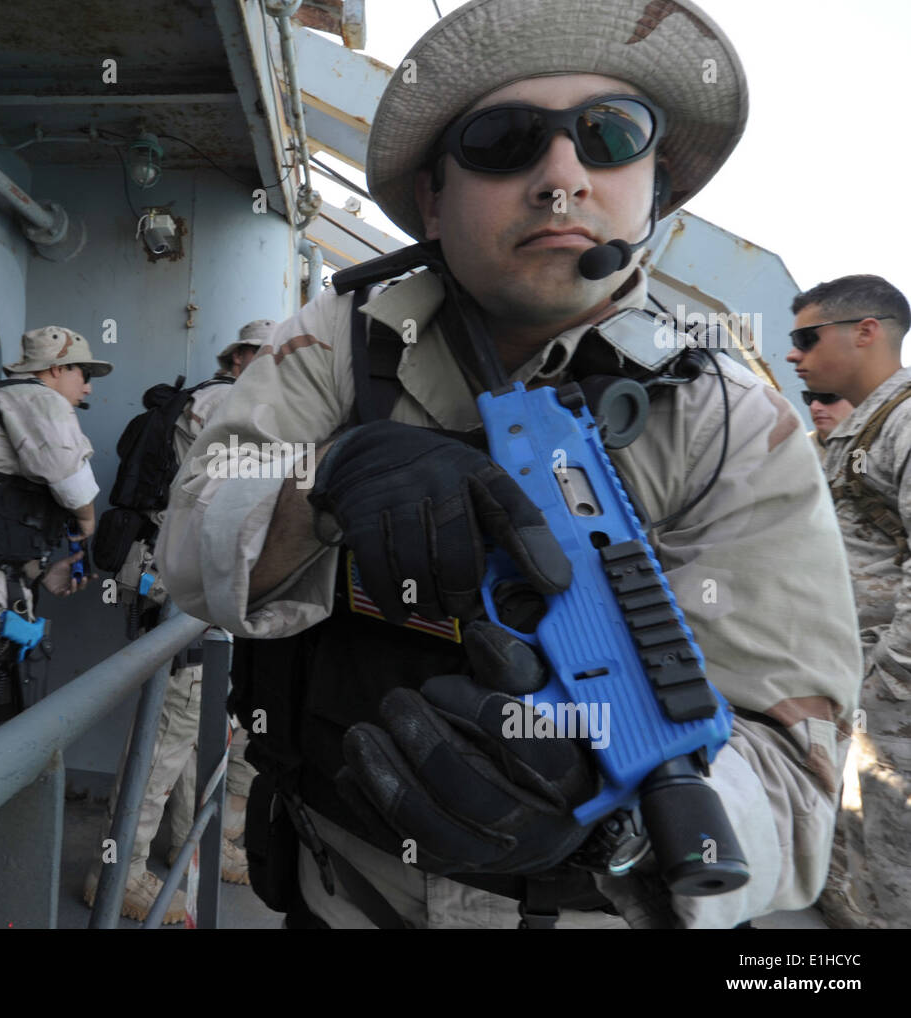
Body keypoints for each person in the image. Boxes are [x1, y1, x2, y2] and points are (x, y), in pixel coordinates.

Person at [159, 0, 862, 929]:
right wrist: (323, 486)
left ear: (653, 186)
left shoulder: (723, 414)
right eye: (504, 141)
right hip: (341, 889)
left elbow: (796, 791)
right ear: (433, 201)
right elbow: (190, 553)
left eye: (611, 135)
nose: (562, 176)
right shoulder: (342, 339)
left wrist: (609, 822)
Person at [83, 321, 271, 924]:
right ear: (240, 355)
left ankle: (197, 845)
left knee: (201, 725)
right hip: (182, 586)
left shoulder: (221, 401)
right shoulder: (223, 404)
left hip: (189, 583)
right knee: (171, 730)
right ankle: (117, 872)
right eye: (264, 355)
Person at [785, 275, 911, 929]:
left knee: (887, 868)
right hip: (850, 676)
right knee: (847, 854)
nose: (792, 355)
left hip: (890, 694)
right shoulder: (860, 430)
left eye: (806, 338)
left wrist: (884, 684)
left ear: (866, 332)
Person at [0, 326, 110, 703]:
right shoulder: (38, 399)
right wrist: (87, 521)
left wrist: (39, 573)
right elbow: (72, 483)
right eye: (85, 374)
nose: (89, 388)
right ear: (57, 368)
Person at [803, 390, 854, 455]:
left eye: (827, 397)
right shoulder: (797, 453)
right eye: (809, 397)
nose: (814, 407)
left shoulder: (869, 450)